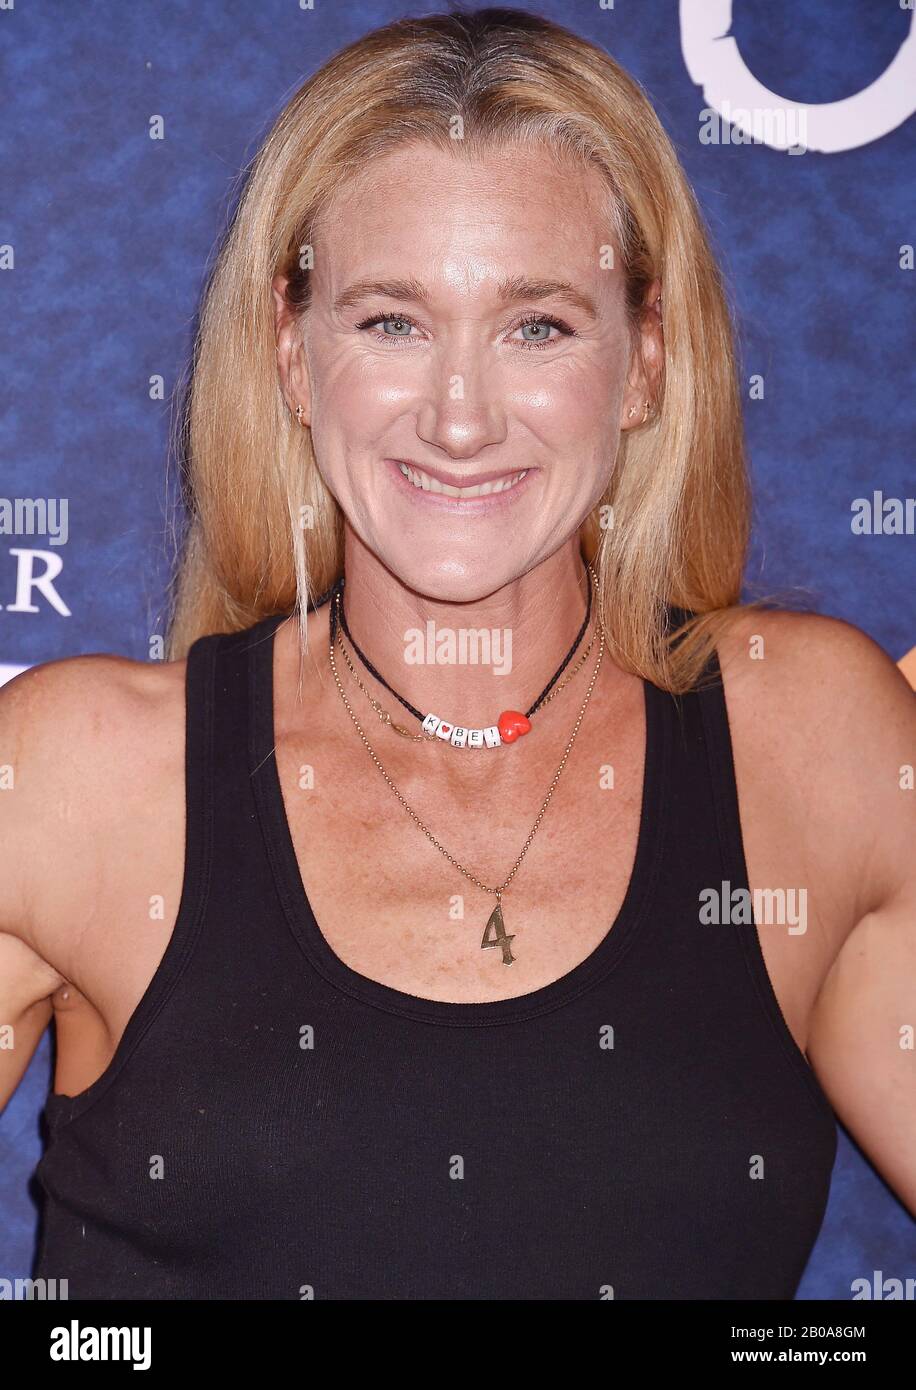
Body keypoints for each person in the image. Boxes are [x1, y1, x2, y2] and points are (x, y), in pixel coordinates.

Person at [1, 6, 913, 1300]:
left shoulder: (812, 744)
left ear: (647, 358)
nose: (463, 416)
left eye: (537, 325)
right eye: (391, 322)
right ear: (291, 353)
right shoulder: (80, 779)